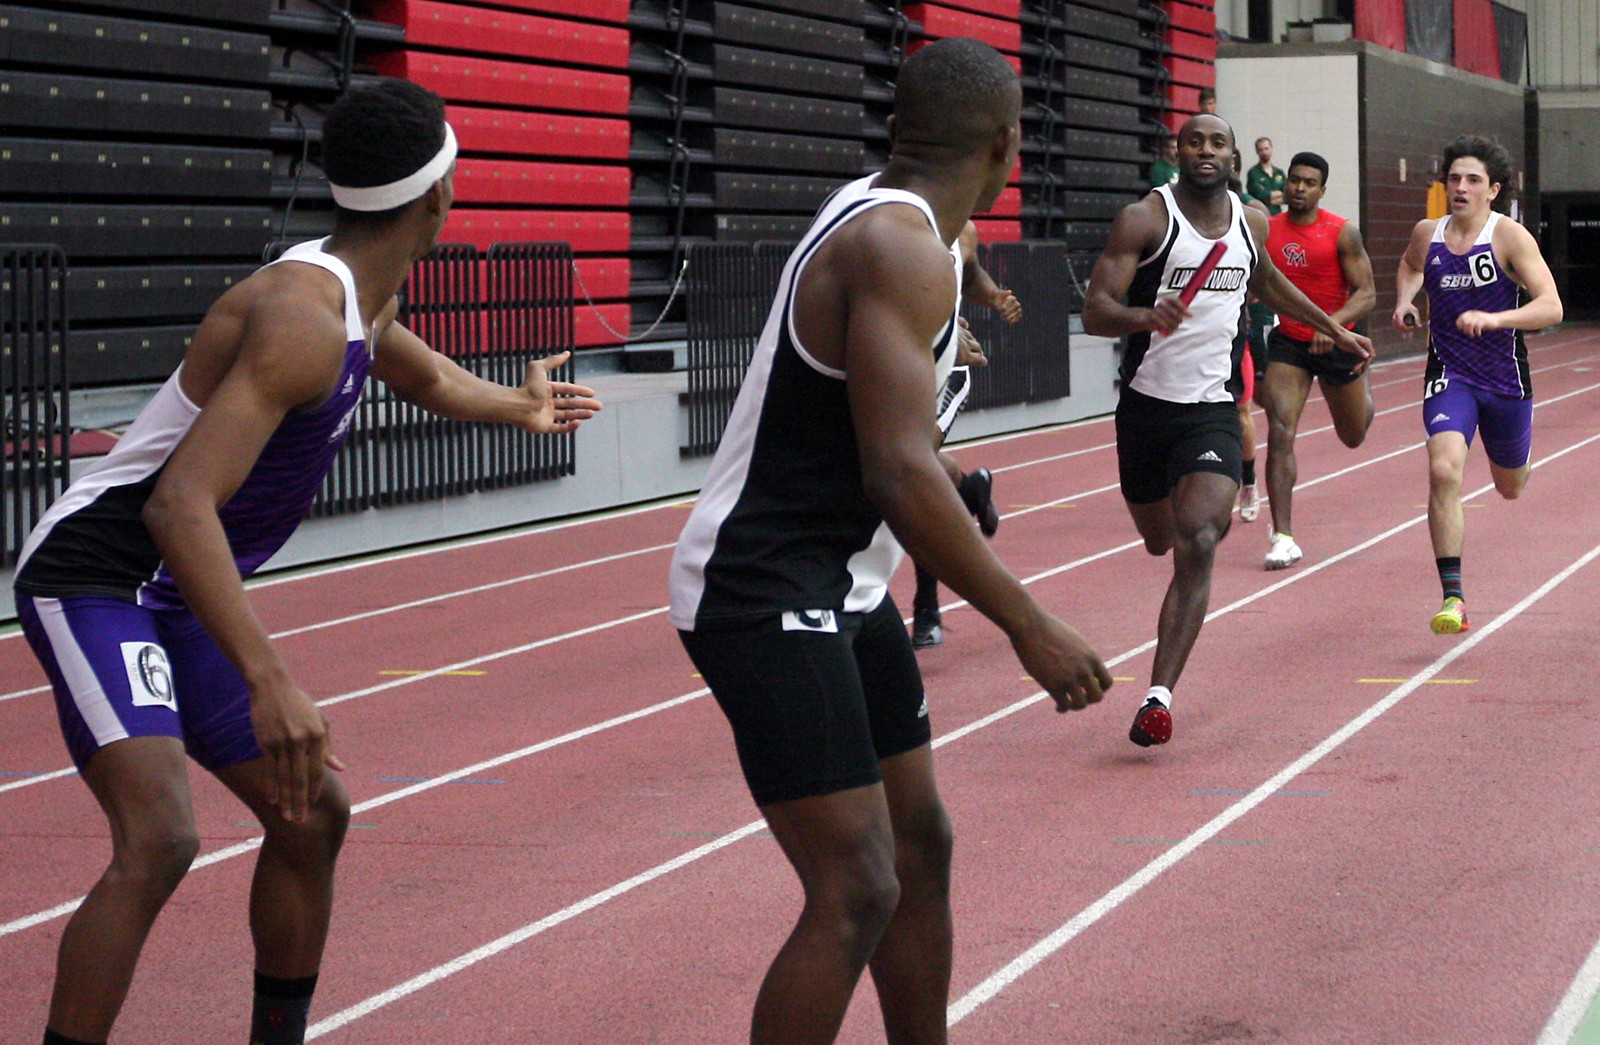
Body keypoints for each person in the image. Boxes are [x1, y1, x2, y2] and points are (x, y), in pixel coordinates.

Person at [10, 80, 601, 1045]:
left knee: (312, 812)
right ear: (440, 196)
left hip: (175, 583)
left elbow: (422, 371)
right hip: (99, 574)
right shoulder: (302, 313)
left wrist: (519, 404)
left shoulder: (362, 292)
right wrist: (271, 679)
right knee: (161, 838)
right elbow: (178, 502)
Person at [668, 38, 1111, 1043]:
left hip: (844, 583)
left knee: (920, 844)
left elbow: (879, 433)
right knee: (856, 886)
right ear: (1007, 146)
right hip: (760, 582)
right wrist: (1027, 624)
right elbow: (894, 469)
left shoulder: (915, 234)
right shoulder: (900, 247)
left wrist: (942, 476)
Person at [1082, 113, 1371, 748]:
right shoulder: (1146, 219)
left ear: (1234, 159)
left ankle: (1158, 698)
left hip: (1213, 406)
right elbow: (1095, 311)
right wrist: (1143, 314)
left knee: (1200, 538)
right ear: (1177, 152)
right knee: (1160, 539)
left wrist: (1336, 328)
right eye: (1195, 142)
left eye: (1218, 143)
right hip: (1145, 409)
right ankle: (1164, 540)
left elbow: (1267, 281)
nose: (1205, 152)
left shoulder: (1251, 220)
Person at [1392, 134, 1562, 634]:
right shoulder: (1429, 232)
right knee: (1444, 471)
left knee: (1510, 487)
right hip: (1450, 374)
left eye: (1472, 180)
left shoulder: (1509, 237)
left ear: (1493, 190)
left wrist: (1498, 319)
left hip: (1505, 379)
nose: (1460, 188)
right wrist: (1405, 300)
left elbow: (1551, 306)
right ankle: (1454, 598)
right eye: (1453, 179)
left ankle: (1519, 458)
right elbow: (1409, 264)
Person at [1258, 151, 1378, 569]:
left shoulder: (1342, 233)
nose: (1300, 188)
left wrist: (1335, 327)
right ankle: (1282, 535)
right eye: (1294, 180)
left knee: (1353, 435)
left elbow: (1367, 293)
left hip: (1336, 341)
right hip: (1290, 342)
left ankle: (1363, 390)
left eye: (1309, 183)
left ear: (1321, 190)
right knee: (1279, 428)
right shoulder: (1268, 230)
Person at [910, 220, 1019, 649]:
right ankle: (972, 490)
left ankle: (926, 607)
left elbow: (968, 273)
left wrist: (993, 296)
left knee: (917, 471)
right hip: (902, 364)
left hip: (948, 373)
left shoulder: (965, 232)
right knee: (918, 465)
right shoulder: (895, 222)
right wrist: (940, 330)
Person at [1228, 167, 1272, 524]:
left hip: (1237, 334)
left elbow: (1266, 277)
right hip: (1191, 341)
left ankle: (1249, 482)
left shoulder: (1250, 214)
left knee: (1244, 411)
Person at [1246, 137, 1286, 215]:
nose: (1264, 152)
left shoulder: (1279, 173)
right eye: (1261, 150)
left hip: (1278, 216)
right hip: (1260, 216)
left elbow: (1288, 195)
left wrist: (1269, 197)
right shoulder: (1253, 173)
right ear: (1257, 151)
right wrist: (1278, 194)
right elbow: (1260, 196)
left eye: (1266, 149)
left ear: (1271, 149)